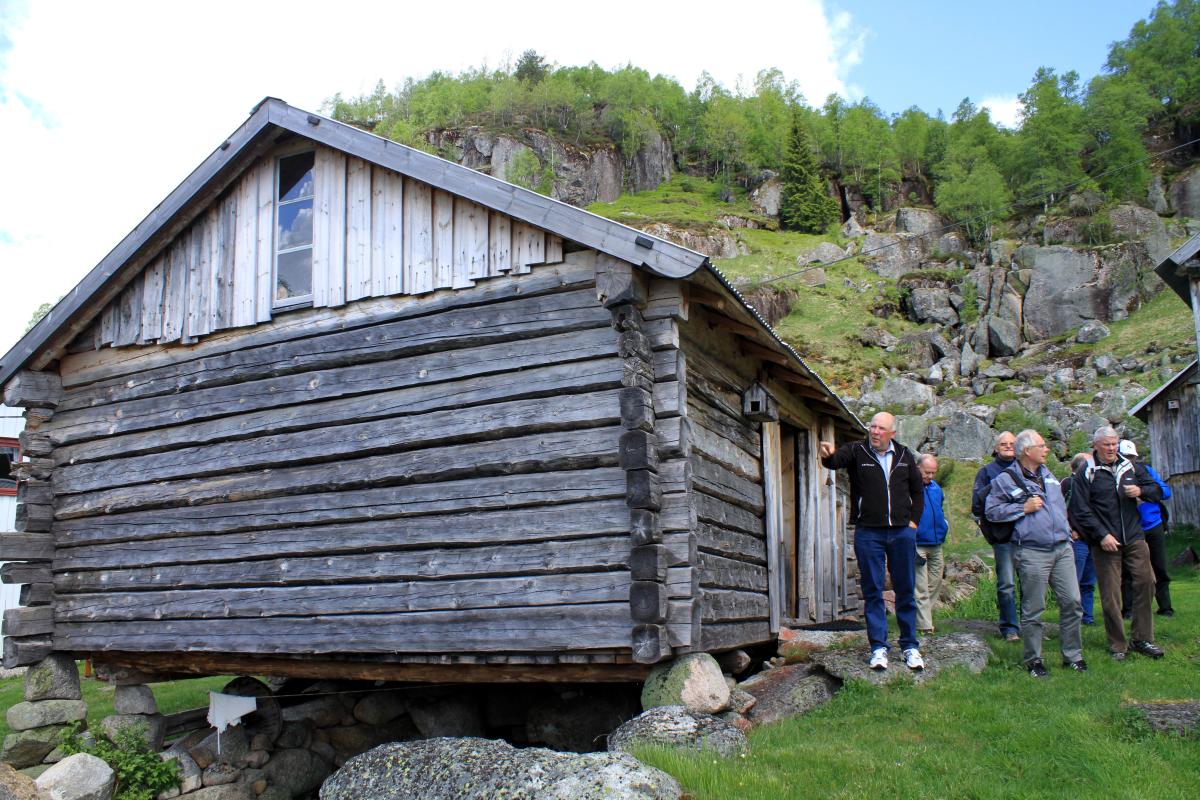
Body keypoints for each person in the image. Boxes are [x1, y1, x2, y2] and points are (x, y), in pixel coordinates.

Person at [820, 412, 925, 671]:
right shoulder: (857, 451)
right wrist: (829, 456)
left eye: (881, 428)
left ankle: (910, 646)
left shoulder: (904, 456)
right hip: (869, 533)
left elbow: (917, 491)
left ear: (892, 433)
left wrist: (913, 523)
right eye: (872, 427)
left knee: (905, 590)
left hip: (901, 532)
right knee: (873, 590)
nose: (875, 432)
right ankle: (879, 647)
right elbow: (836, 461)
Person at [985, 429, 1084, 677]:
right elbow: (992, 511)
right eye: (1042, 445)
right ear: (1027, 451)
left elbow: (1059, 507)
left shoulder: (1049, 475)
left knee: (1072, 602)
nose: (1047, 449)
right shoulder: (1005, 480)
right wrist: (1022, 508)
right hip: (1032, 551)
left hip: (1062, 548)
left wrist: (1068, 527)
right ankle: (1034, 660)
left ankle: (1073, 656)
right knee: (1034, 608)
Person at [1068, 426, 1164, 661]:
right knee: (1111, 595)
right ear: (1096, 446)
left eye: (1114, 444)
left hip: (1134, 536)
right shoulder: (1086, 471)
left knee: (1147, 582)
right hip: (1105, 543)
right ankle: (1118, 645)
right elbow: (1079, 510)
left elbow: (1157, 491)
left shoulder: (1131, 466)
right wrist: (1101, 535)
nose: (1111, 448)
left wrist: (1140, 490)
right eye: (1107, 444)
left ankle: (1142, 638)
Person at [971, 431, 1021, 642]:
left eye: (1012, 443)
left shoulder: (1026, 468)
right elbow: (977, 504)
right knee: (1006, 584)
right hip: (1003, 537)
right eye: (1004, 444)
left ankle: (1030, 625)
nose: (1008, 446)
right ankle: (1009, 627)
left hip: (1028, 536)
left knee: (1030, 583)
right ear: (996, 448)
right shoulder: (986, 472)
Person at [1118, 440, 1175, 617]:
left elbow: (1165, 492)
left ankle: (1165, 608)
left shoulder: (1146, 471)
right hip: (1130, 528)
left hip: (1153, 526)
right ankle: (1128, 610)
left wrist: (1141, 491)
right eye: (1125, 457)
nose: (1129, 460)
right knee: (1128, 571)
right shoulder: (1116, 474)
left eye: (1132, 457)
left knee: (1160, 567)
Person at [914, 453, 948, 634]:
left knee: (935, 583)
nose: (930, 476)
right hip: (917, 543)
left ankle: (920, 616)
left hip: (936, 543)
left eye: (933, 473)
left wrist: (944, 526)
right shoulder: (909, 487)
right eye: (927, 472)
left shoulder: (936, 489)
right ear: (918, 468)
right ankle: (925, 626)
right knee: (920, 586)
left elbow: (939, 509)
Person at [1061, 453, 1096, 625]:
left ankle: (1087, 617)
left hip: (1093, 539)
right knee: (1074, 581)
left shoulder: (1092, 484)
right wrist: (1070, 530)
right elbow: (1059, 509)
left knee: (1088, 582)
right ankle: (1072, 617)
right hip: (1077, 540)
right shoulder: (1068, 483)